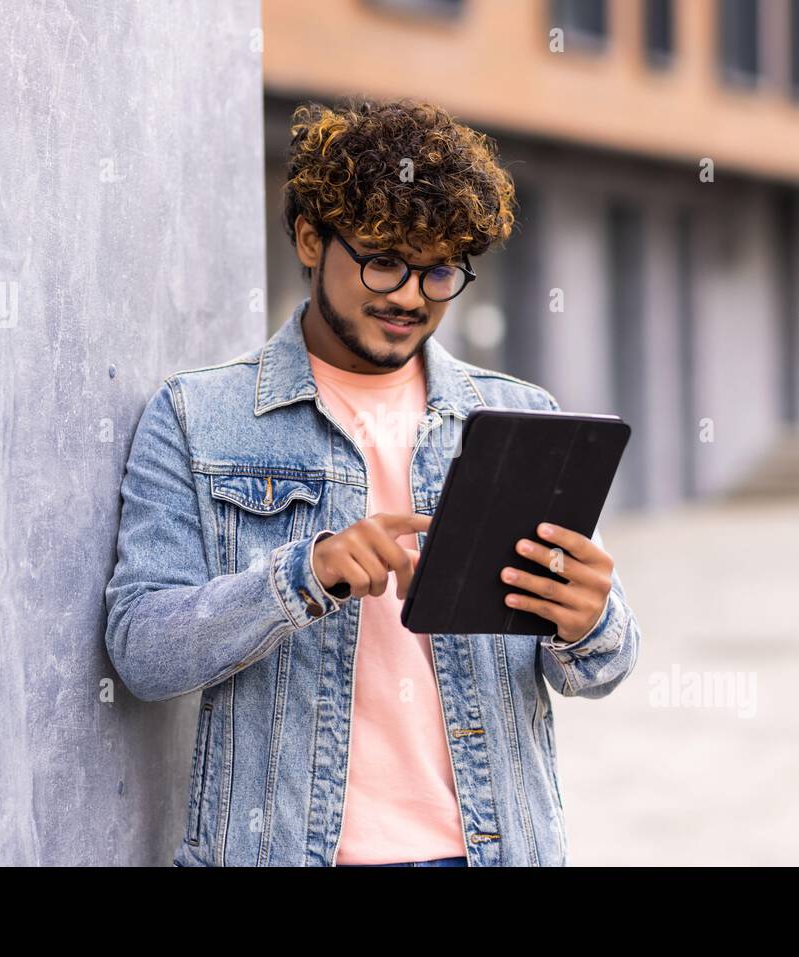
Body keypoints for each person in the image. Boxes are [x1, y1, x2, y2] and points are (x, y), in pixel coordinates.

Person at [104, 97, 642, 867]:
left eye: (439, 270)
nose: (411, 297)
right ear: (309, 239)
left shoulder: (519, 415)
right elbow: (142, 650)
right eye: (384, 260)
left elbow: (598, 671)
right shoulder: (196, 417)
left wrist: (590, 619)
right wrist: (303, 575)